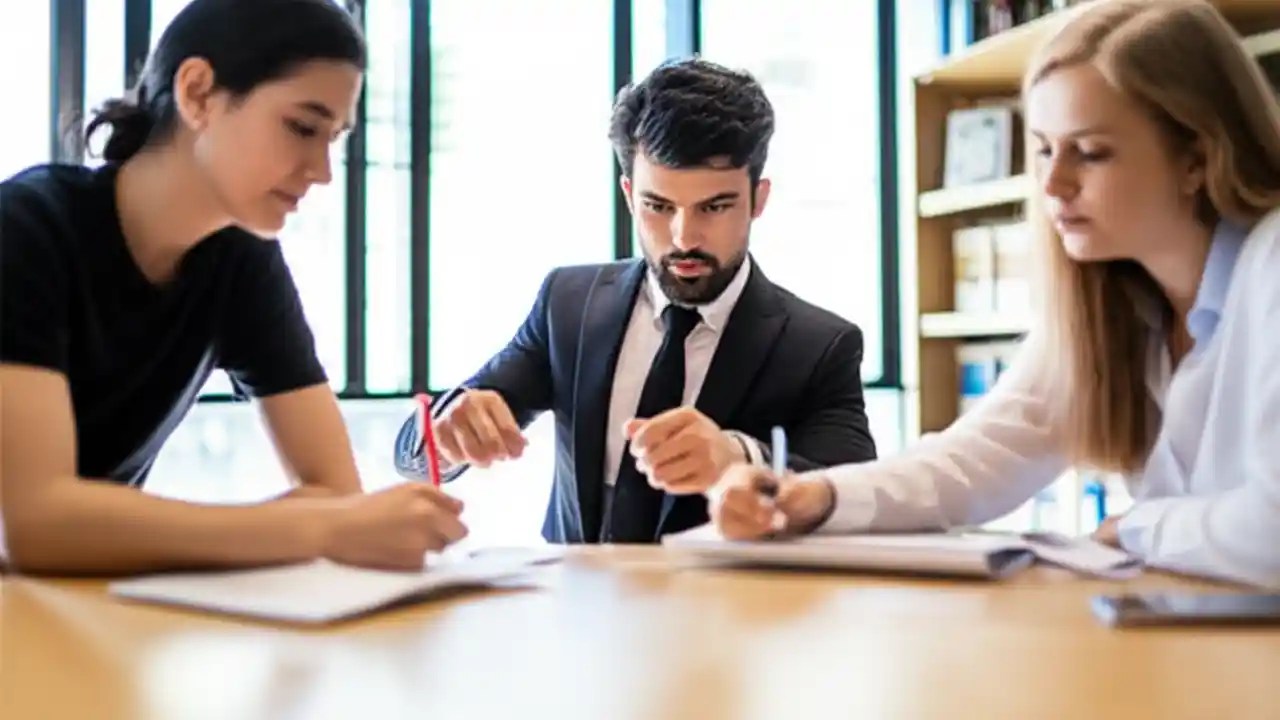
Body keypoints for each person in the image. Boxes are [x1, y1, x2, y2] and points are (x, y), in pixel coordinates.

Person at [708, 0, 1280, 589]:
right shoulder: (1120, 306)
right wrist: (815, 495)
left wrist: (1136, 528)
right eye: (1042, 149)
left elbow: (1273, 532)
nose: (1053, 185)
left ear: (1197, 158)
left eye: (1091, 152)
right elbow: (972, 462)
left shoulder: (1272, 262)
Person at [0, 0, 467, 575]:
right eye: (302, 126)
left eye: (334, 138)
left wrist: (328, 520)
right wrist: (316, 526)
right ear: (197, 93)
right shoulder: (28, 227)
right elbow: (39, 526)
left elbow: (338, 494)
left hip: (76, 605)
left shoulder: (240, 259)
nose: (323, 169)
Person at [394, 58, 878, 544]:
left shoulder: (821, 346)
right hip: (576, 608)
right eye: (658, 206)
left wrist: (738, 459)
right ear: (629, 195)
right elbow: (422, 446)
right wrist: (447, 433)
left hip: (732, 610)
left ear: (758, 199)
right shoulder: (567, 303)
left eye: (714, 206)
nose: (683, 236)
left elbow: (859, 496)